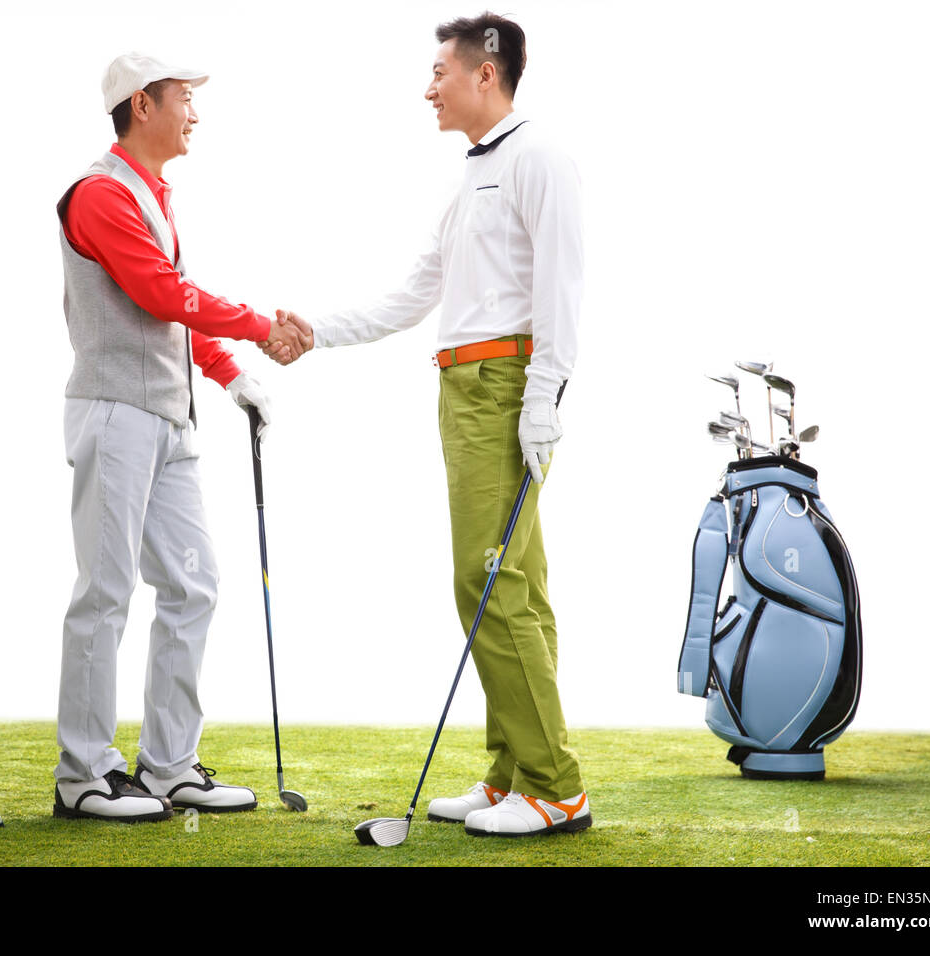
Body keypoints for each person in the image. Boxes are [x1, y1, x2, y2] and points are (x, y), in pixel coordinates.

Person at [267, 13, 591, 837]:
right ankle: (511, 770)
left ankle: (556, 789)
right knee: (515, 585)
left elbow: (562, 288)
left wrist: (544, 399)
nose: (428, 87)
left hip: (505, 386)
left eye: (438, 71)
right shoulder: (466, 178)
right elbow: (415, 292)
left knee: (486, 582)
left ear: (486, 72)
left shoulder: (539, 157)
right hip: (462, 388)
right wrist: (319, 330)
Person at [53, 52, 309, 823]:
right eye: (185, 98)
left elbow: (172, 313)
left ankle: (167, 766)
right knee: (104, 594)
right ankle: (84, 776)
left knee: (193, 585)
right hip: (115, 412)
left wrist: (234, 376)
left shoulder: (154, 194)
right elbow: (163, 292)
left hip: (170, 422)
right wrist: (263, 326)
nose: (195, 113)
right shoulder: (100, 193)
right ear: (142, 104)